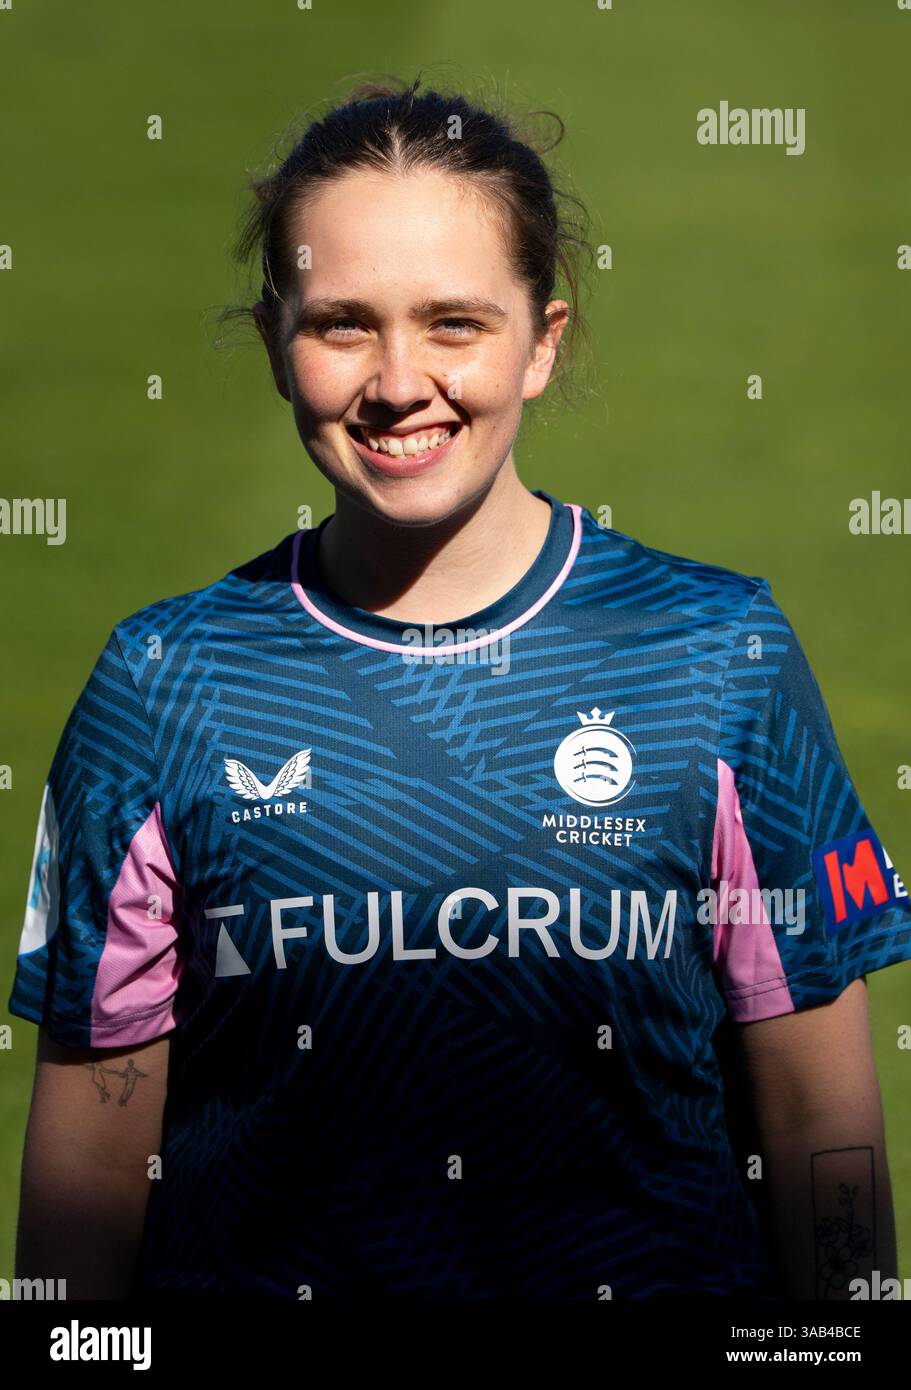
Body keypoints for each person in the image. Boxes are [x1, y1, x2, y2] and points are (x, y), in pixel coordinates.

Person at [8, 76, 911, 1301]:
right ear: (277, 344)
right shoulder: (163, 684)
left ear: (542, 341)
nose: (395, 383)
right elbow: (88, 1179)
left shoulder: (715, 654)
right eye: (341, 324)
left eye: (452, 323)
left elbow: (818, 1127)